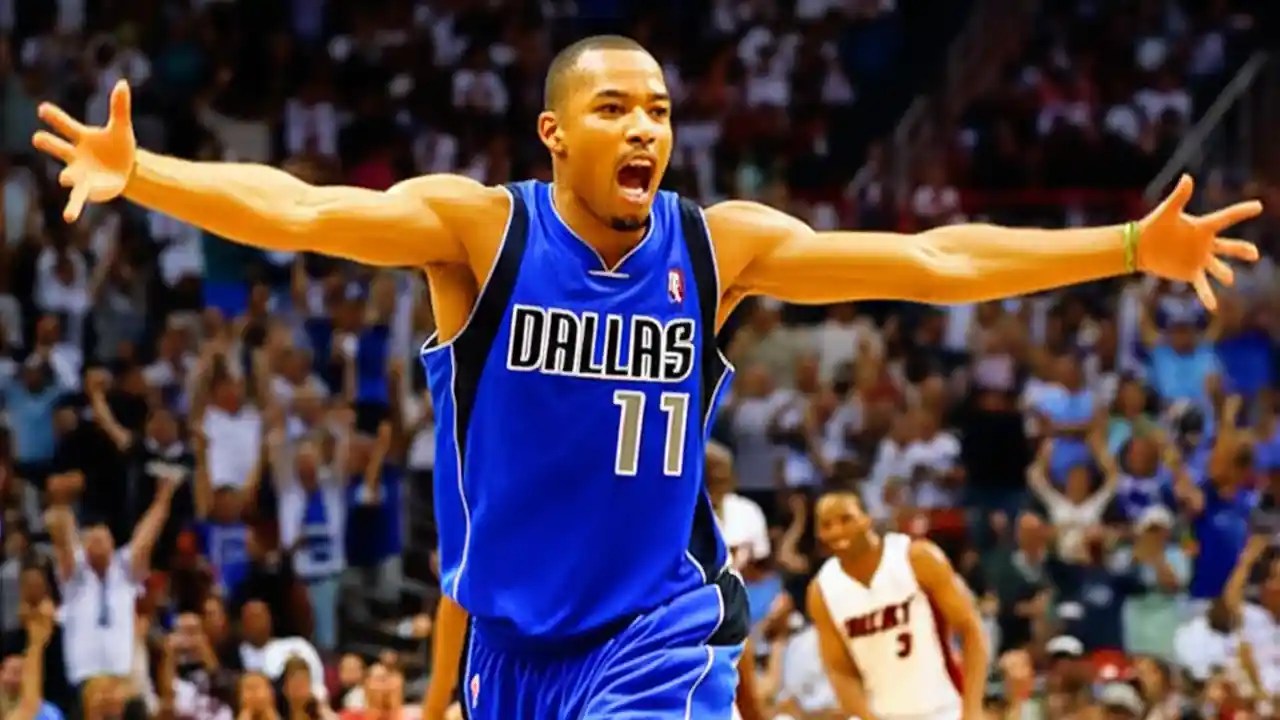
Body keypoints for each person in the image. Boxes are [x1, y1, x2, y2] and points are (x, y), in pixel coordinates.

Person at [32, 33, 1259, 720]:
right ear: (554, 133)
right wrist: (149, 177)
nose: (645, 130)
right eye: (614, 108)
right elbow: (300, 209)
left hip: (652, 626)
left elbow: (930, 261)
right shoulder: (481, 234)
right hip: (511, 643)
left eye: (659, 112)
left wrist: (1121, 247)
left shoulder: (713, 249)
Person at [807, 491, 988, 720]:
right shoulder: (822, 591)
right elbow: (839, 670)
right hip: (883, 713)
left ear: (867, 517)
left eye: (846, 519)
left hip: (945, 708)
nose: (837, 531)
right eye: (826, 525)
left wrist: (972, 711)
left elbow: (971, 630)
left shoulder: (917, 558)